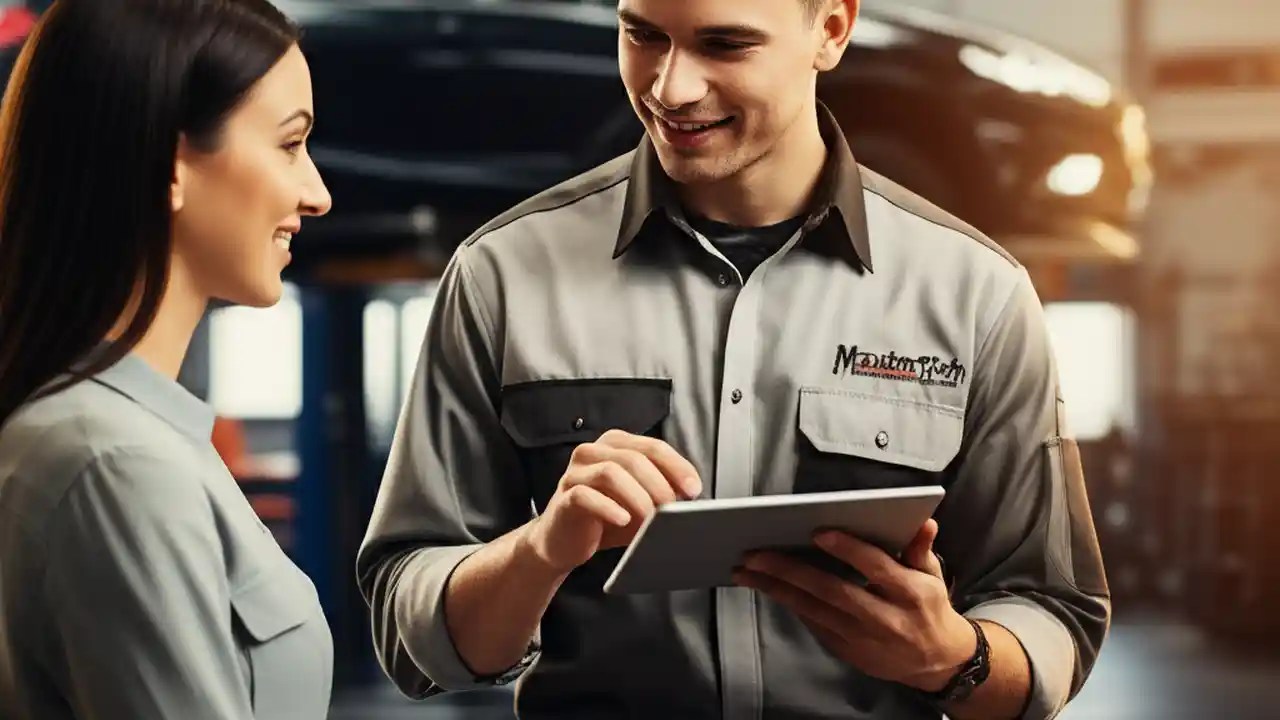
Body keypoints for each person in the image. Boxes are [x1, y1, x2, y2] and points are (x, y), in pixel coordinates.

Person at [357, 0, 1110, 718]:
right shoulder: (503, 275)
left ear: (833, 30)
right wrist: (540, 551)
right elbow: (411, 627)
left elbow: (1052, 612)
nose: (670, 88)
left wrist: (951, 657)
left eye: (725, 44)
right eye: (643, 34)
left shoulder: (976, 294)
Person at [0, 1, 333, 718]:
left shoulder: (123, 436)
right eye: (288, 144)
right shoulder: (113, 463)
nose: (317, 194)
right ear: (171, 161)